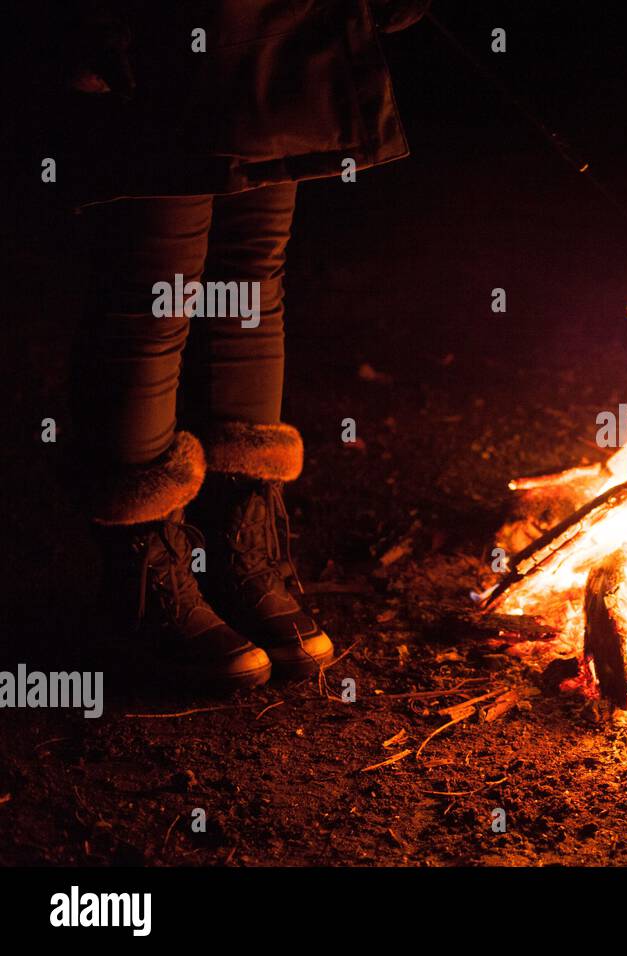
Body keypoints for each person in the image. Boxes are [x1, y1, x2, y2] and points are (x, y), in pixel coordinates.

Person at [46, 1, 430, 691]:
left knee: (250, 276)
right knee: (152, 289)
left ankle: (236, 548)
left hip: (282, 22)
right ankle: (141, 585)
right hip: (162, 32)